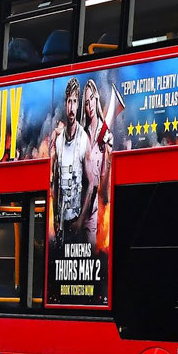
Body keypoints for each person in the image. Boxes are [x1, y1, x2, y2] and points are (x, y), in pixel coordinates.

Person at [49, 77, 91, 244]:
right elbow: (55, 184)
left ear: (78, 104)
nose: (72, 107)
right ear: (65, 104)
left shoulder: (83, 140)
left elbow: (90, 184)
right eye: (69, 102)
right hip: (62, 223)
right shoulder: (59, 142)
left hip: (76, 221)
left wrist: (80, 221)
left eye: (75, 101)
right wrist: (55, 218)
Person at [79, 77, 113, 244]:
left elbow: (104, 180)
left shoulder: (105, 133)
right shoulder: (82, 134)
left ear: (97, 98)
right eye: (86, 102)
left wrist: (108, 152)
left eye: (91, 99)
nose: (89, 105)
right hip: (78, 205)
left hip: (92, 210)